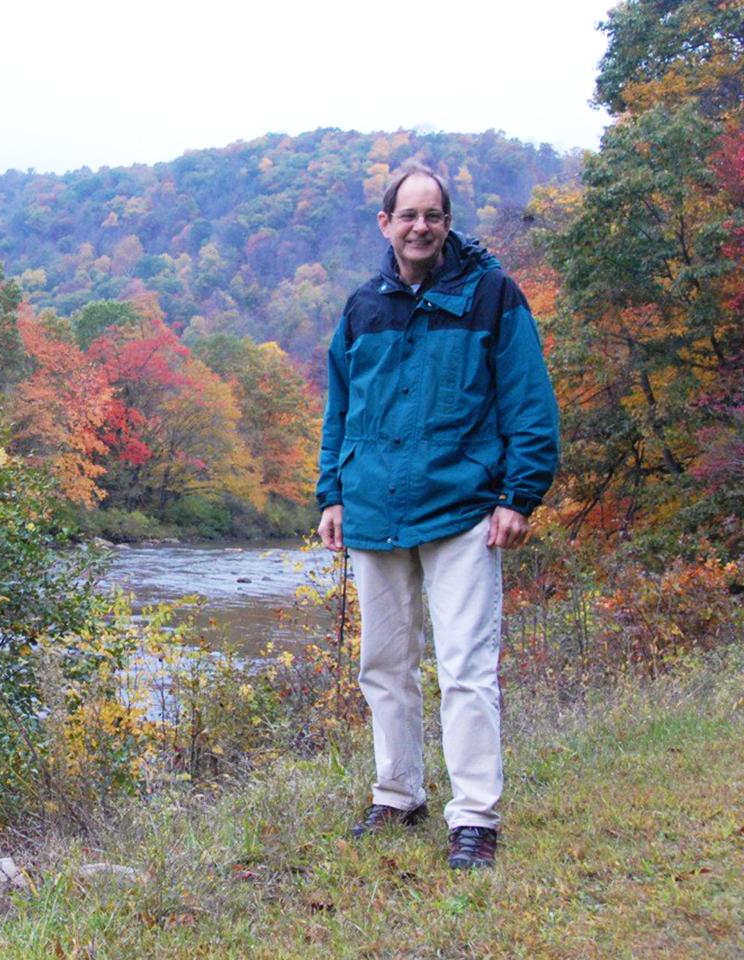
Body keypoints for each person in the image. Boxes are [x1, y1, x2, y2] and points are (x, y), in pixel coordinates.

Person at [315, 167, 559, 869]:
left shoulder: (492, 296)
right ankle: (397, 795)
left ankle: (474, 817)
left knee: (466, 668)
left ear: (447, 223)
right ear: (385, 223)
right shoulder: (363, 307)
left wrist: (520, 495)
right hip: (371, 508)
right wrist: (330, 493)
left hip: (463, 509)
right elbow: (340, 408)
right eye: (408, 215)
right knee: (383, 665)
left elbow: (528, 402)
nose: (420, 226)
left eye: (433, 215)